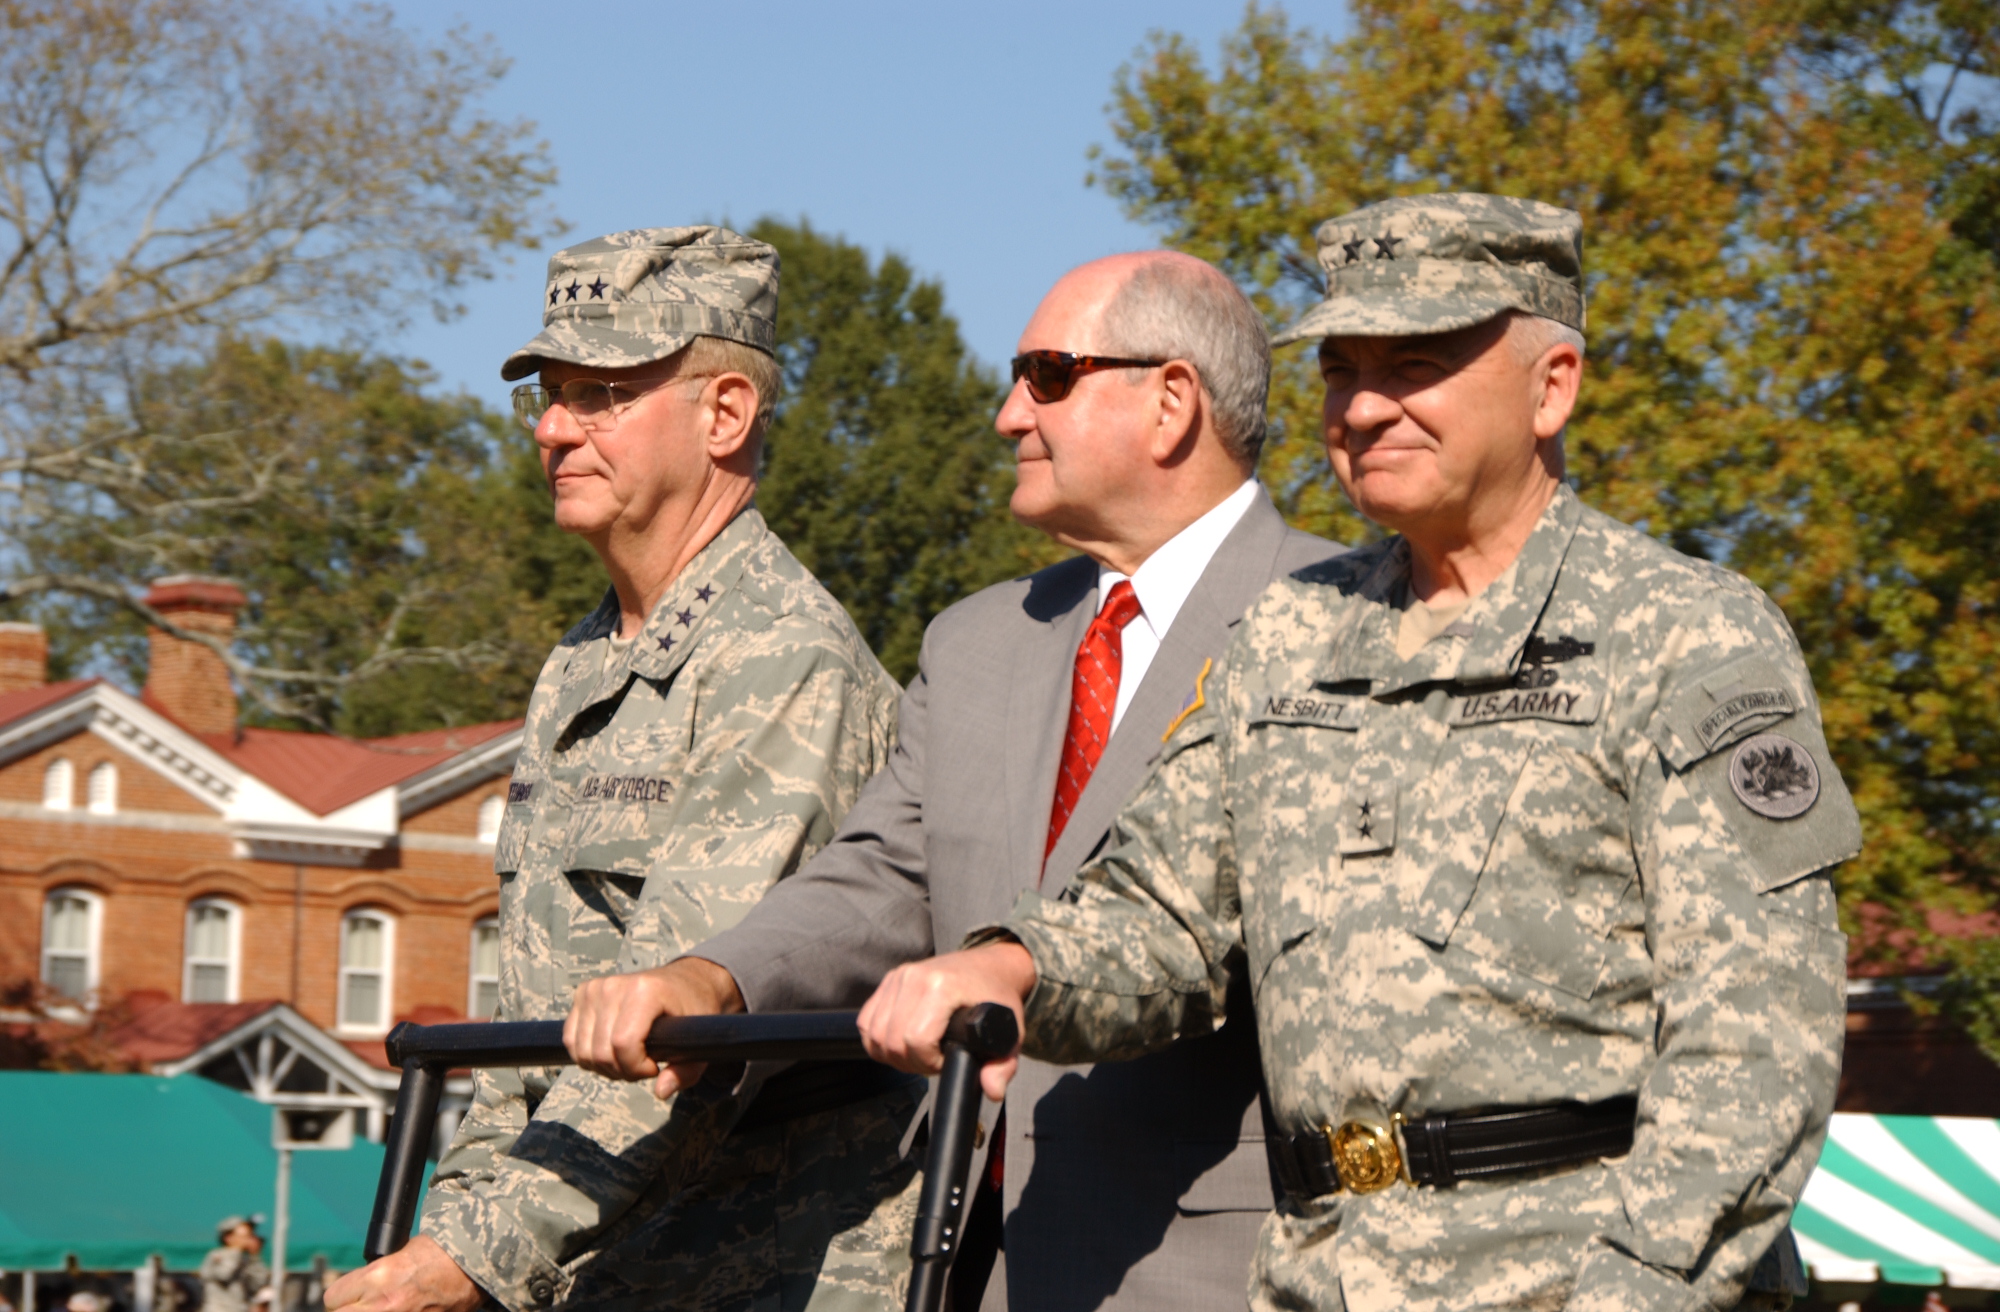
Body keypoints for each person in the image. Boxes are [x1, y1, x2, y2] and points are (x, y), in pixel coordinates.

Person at [856, 194, 1857, 1312]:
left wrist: (1636, 1292)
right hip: (1321, 1277)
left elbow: (1755, 1042)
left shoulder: (1685, 635)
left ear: (1552, 386)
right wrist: (1012, 967)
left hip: (1589, 1281)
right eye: (1341, 371)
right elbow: (1162, 911)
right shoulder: (1287, 635)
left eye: (1414, 366)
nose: (1366, 407)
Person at [564, 249, 1342, 1311]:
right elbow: (881, 876)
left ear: (1171, 401)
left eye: (1046, 375)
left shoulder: (1345, 626)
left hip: (1208, 1264)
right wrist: (710, 980)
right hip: (956, 1257)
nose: (1008, 415)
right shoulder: (979, 640)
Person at [322, 226, 914, 1312]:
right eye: (549, 396)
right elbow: (528, 1037)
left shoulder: (782, 657)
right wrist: (448, 1234)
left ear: (724, 414)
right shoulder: (582, 660)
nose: (552, 429)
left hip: (767, 1269)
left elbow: (679, 1045)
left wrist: (470, 1262)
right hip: (601, 1261)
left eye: (600, 395)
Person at [199, 1217, 267, 1312]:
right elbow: (224, 1275)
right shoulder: (216, 1255)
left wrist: (255, 1257)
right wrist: (236, 1250)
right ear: (228, 1238)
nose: (248, 1240)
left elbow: (257, 1284)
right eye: (244, 1236)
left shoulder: (246, 1259)